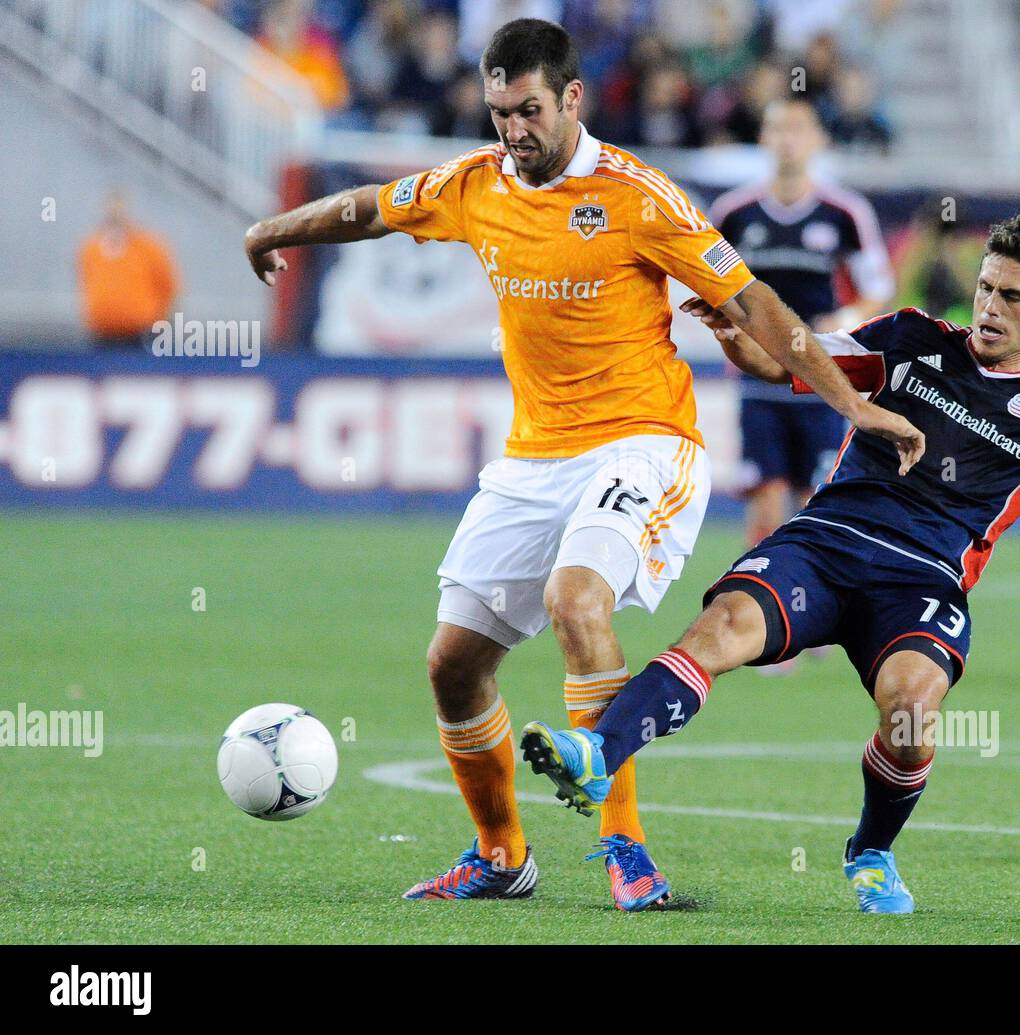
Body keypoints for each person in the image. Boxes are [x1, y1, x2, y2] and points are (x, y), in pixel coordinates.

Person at [242, 18, 920, 911]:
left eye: (527, 111)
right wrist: (273, 230)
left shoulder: (641, 197)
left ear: (572, 98)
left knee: (576, 598)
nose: (511, 132)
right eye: (496, 114)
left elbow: (753, 301)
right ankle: (501, 855)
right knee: (452, 664)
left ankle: (628, 854)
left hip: (645, 439)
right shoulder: (475, 183)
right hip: (534, 455)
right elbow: (371, 207)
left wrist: (855, 404)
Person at [521, 212, 1020, 915]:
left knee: (910, 713)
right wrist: (734, 335)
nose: (990, 308)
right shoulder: (910, 338)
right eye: (987, 287)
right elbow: (793, 359)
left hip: (922, 579)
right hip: (825, 540)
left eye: (1013, 297)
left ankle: (872, 850)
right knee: (721, 627)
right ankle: (598, 754)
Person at [712, 99, 894, 547]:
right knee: (767, 502)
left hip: (820, 376)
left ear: (819, 140)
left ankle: (813, 603)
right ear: (763, 139)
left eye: (798, 129)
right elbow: (706, 280)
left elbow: (878, 285)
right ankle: (757, 598)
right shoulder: (734, 213)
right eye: (777, 129)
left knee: (818, 499)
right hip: (758, 377)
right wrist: (732, 328)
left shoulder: (844, 211)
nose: (788, 140)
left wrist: (845, 317)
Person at [77, 189, 179, 350]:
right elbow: (86, 280)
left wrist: (157, 320)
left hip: (139, 333)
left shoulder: (148, 245)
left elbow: (168, 286)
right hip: (102, 332)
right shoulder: (92, 247)